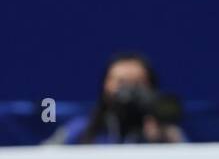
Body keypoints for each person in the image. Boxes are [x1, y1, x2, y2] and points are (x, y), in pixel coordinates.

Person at [44, 52, 185, 145]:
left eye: (137, 84)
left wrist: (161, 141)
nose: (129, 91)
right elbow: (41, 158)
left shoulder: (166, 132)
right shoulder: (82, 129)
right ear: (105, 85)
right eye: (121, 82)